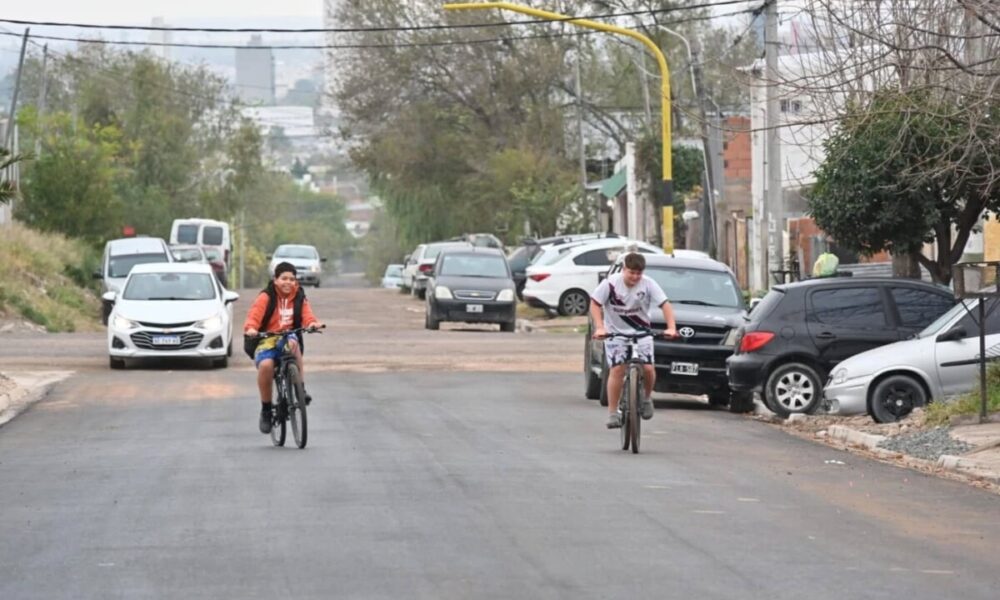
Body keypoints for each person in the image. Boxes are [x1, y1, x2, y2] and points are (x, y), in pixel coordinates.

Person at [590, 252, 677, 429]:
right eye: (631, 272)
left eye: (639, 273)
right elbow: (595, 303)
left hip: (642, 333)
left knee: (648, 368)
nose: (635, 277)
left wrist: (671, 327)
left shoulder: (648, 284)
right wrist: (600, 327)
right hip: (615, 334)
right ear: (624, 270)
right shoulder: (610, 284)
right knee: (617, 370)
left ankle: (646, 398)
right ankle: (613, 413)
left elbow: (665, 304)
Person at [244, 262, 324, 434]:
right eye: (284, 278)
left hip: (288, 336)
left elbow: (307, 315)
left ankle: (300, 389)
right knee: (266, 366)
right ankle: (266, 410)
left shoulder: (299, 296)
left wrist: (313, 324)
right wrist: (251, 329)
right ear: (275, 280)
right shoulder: (266, 297)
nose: (288, 282)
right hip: (267, 339)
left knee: (293, 344)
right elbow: (253, 317)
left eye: (292, 279)